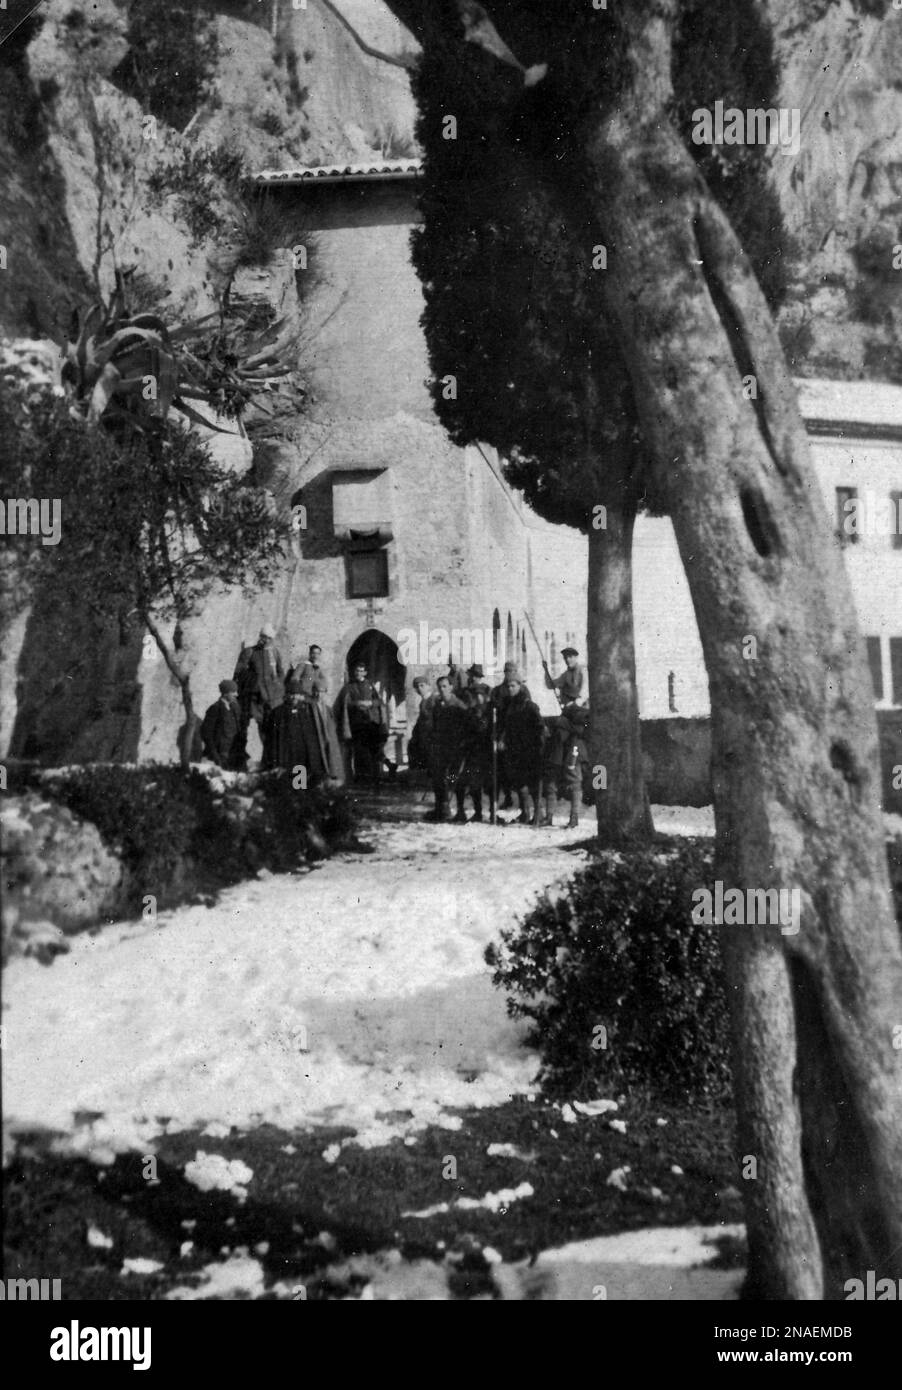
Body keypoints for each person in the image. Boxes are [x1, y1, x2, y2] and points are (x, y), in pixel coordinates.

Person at [285, 643, 344, 786]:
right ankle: (302, 779)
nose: (315, 656)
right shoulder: (303, 665)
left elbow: (324, 683)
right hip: (306, 701)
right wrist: (302, 692)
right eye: (313, 653)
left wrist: (319, 688)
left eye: (318, 653)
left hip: (316, 702)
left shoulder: (319, 668)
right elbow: (294, 679)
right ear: (310, 653)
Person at [497, 669, 545, 824]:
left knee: (532, 784)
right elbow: (505, 726)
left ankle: (538, 814)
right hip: (514, 750)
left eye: (513, 686)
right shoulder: (509, 706)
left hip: (529, 750)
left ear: (520, 686)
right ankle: (525, 812)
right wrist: (502, 739)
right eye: (508, 686)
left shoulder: (530, 706)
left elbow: (540, 727)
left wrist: (537, 746)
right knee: (519, 783)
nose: (510, 689)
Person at [234, 623, 285, 758]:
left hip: (271, 698)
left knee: (269, 728)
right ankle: (239, 757)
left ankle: (269, 759)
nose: (266, 640)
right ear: (260, 636)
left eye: (269, 638)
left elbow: (280, 673)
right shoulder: (249, 652)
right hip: (253, 697)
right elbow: (238, 673)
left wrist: (278, 688)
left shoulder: (274, 653)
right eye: (263, 637)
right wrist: (254, 683)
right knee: (244, 725)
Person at [333, 661, 388, 787]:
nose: (359, 673)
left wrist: (370, 703)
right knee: (360, 752)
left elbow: (379, 701)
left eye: (361, 671)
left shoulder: (370, 686)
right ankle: (362, 780)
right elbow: (343, 704)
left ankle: (375, 779)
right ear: (354, 672)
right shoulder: (349, 687)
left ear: (365, 673)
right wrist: (356, 704)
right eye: (357, 671)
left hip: (371, 723)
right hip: (357, 724)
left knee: (373, 751)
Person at [490, 662, 533, 809]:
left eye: (514, 671)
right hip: (501, 731)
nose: (511, 673)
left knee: (519, 774)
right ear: (505, 672)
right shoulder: (497, 690)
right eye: (509, 671)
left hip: (517, 735)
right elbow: (494, 709)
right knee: (501, 770)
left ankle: (524, 808)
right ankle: (507, 798)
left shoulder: (523, 690)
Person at [539, 703, 590, 828]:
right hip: (558, 752)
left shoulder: (579, 714)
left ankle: (574, 817)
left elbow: (582, 727)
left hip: (573, 752)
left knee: (574, 784)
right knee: (551, 784)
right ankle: (550, 816)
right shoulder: (563, 716)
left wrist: (562, 723)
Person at [425, 674, 467, 821]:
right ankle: (441, 809)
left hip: (455, 748)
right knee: (438, 777)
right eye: (439, 687)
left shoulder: (459, 705)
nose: (442, 689)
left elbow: (466, 726)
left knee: (454, 778)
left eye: (444, 686)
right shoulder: (438, 705)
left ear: (451, 687)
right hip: (440, 748)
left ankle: (460, 811)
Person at [454, 682, 494, 823]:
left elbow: (487, 729)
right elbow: (465, 730)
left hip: (488, 755)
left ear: (486, 696)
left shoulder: (492, 711)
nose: (478, 698)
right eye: (476, 695)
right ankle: (476, 812)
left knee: (490, 785)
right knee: (467, 784)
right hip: (472, 754)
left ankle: (493, 812)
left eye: (481, 695)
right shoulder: (471, 712)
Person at [200, 679, 246, 771]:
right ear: (225, 693)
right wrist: (214, 755)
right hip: (219, 754)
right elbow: (206, 734)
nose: (236, 694)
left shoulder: (235, 707)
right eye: (233, 692)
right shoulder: (215, 708)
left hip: (233, 753)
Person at [407, 675, 436, 775]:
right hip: (423, 733)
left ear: (428, 686)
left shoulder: (433, 700)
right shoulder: (423, 701)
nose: (419, 689)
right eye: (417, 687)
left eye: (422, 685)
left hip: (431, 733)